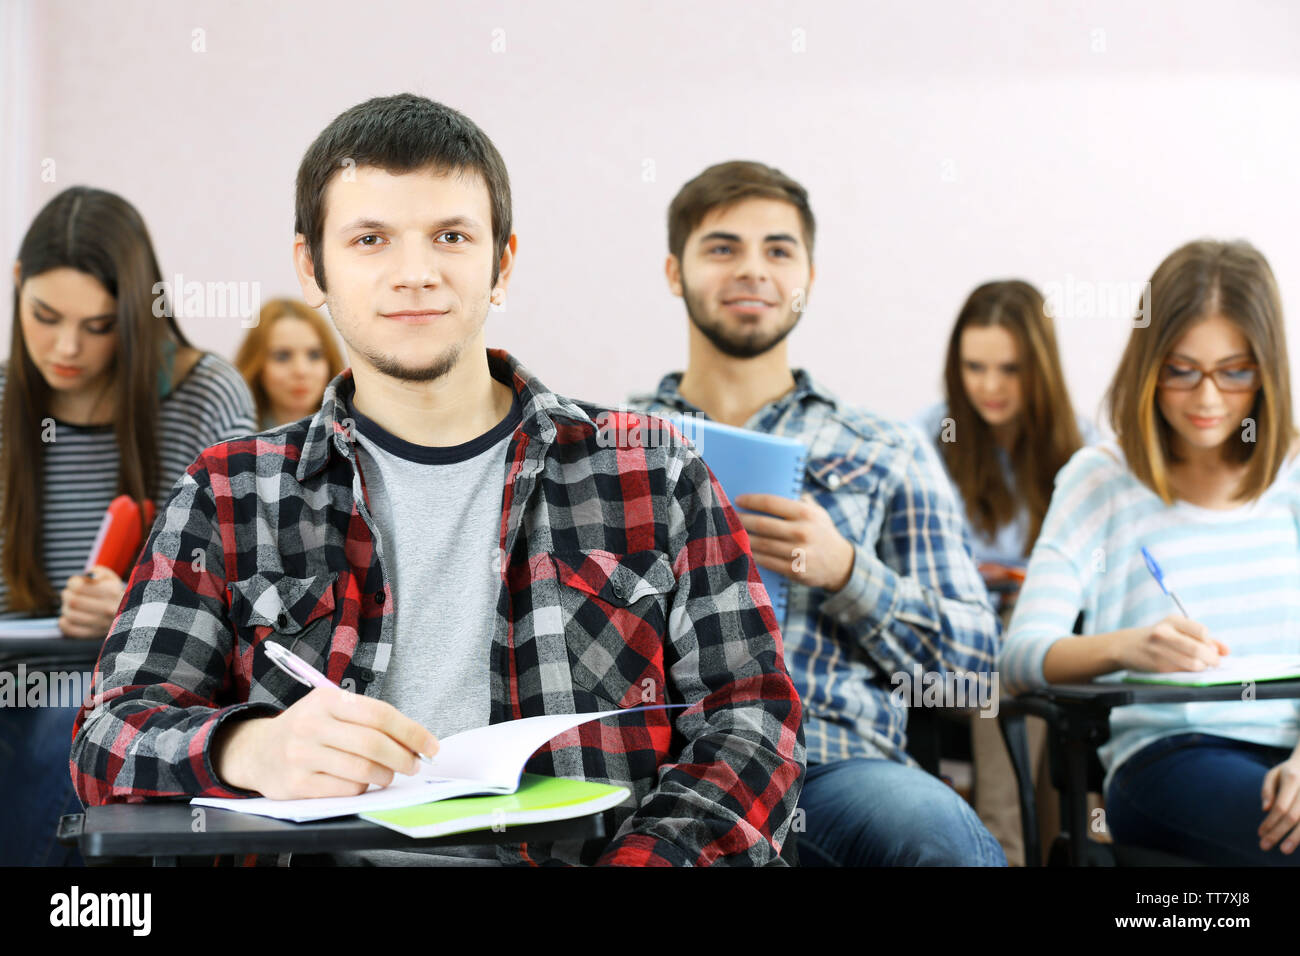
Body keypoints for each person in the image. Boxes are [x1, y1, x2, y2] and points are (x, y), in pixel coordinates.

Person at [69, 95, 804, 867]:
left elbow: (752, 723)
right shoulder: (229, 493)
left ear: (502, 264)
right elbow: (105, 741)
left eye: (451, 236)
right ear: (311, 267)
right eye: (371, 239)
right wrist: (247, 749)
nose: (415, 274)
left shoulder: (652, 469)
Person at [628, 160, 1004, 866]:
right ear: (675, 272)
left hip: (831, 771)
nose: (753, 270)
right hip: (660, 767)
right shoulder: (613, 445)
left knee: (936, 836)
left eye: (778, 249)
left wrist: (849, 573)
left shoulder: (886, 448)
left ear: (808, 276)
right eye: (722, 247)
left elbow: (978, 671)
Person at [1001, 239, 1300, 865]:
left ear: (1268, 370)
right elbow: (1021, 657)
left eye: (1235, 371)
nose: (1208, 399)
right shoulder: (1101, 479)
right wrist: (1127, 647)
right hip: (1172, 759)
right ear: (1148, 366)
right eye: (1181, 370)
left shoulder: (1294, 475)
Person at [0, 186, 257, 865]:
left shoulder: (204, 398)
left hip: (129, 692)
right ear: (17, 285)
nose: (65, 347)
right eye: (45, 316)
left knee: (64, 734)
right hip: (11, 679)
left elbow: (246, 597)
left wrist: (137, 614)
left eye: (99, 326)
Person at [912, 279, 1096, 863]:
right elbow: (914, 565)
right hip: (952, 648)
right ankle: (1008, 850)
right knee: (1006, 654)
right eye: (974, 366)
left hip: (1046, 645)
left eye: (1010, 369)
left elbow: (1098, 570)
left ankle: (1031, 850)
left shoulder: (1083, 445)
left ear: (1039, 368)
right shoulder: (928, 437)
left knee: (1028, 652)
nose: (989, 387)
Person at [235, 298, 345, 428]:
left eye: (314, 355)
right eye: (282, 356)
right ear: (256, 365)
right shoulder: (232, 439)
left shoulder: (353, 435)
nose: (301, 371)